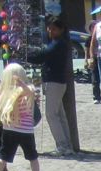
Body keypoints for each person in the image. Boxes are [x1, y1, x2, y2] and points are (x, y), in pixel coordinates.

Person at [27, 16, 75, 156]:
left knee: (51, 115)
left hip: (54, 82)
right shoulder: (59, 42)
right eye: (49, 28)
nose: (50, 30)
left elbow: (42, 56)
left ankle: (62, 146)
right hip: (58, 82)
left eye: (53, 28)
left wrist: (26, 56)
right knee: (60, 115)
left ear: (61, 30)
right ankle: (67, 144)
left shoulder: (58, 44)